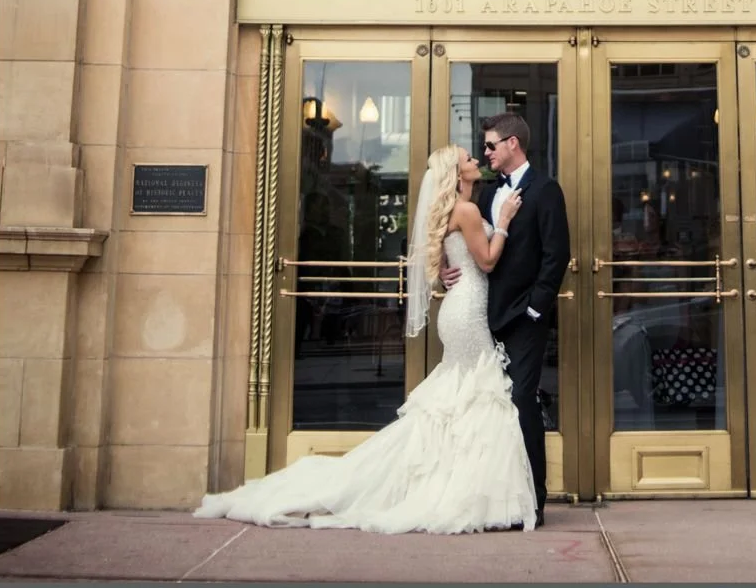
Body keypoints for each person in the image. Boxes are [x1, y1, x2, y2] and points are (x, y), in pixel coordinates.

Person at [193, 144, 537, 533]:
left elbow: (445, 258)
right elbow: (488, 260)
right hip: (469, 312)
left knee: (459, 401)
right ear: (458, 174)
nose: (475, 161)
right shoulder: (468, 210)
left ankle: (454, 485)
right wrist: (505, 221)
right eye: (468, 160)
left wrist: (445, 271)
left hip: (459, 309)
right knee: (472, 397)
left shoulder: (449, 212)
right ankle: (464, 493)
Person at [442, 114, 570, 526]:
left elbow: (556, 255)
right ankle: (495, 498)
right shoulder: (485, 197)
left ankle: (534, 500)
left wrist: (537, 307)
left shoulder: (546, 190)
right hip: (485, 317)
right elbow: (474, 248)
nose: (486, 152)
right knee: (490, 407)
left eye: (492, 145)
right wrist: (448, 272)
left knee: (521, 401)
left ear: (513, 143)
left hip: (525, 319)